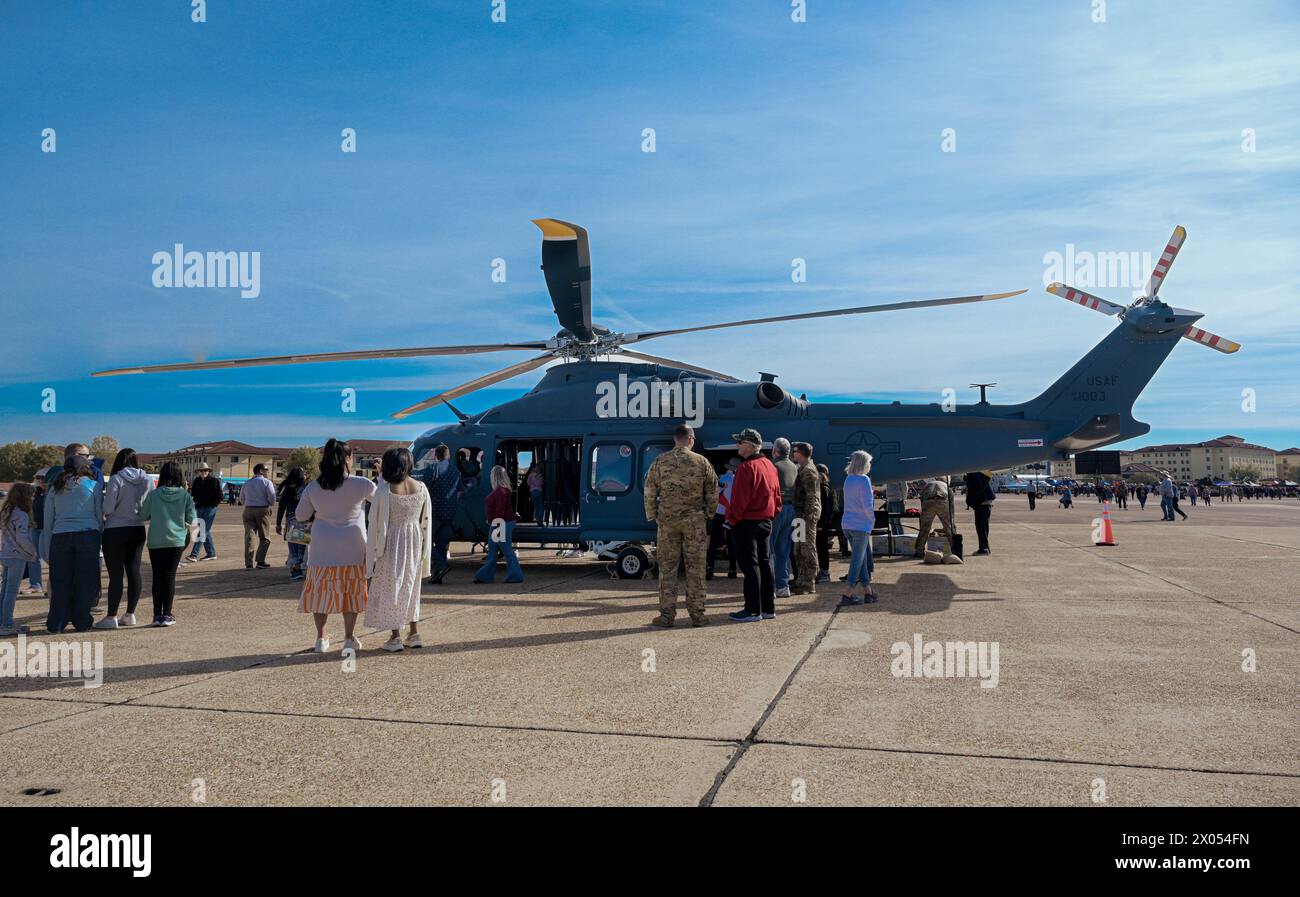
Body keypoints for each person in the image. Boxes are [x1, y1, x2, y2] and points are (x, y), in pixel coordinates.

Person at [295, 439, 376, 653]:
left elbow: (300, 515)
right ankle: (349, 638)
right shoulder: (362, 484)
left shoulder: (313, 486)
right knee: (351, 593)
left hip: (323, 547)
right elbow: (381, 501)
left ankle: (321, 638)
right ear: (348, 459)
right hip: (354, 545)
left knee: (320, 592)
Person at [643, 424, 717, 628]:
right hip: (695, 522)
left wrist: (654, 515)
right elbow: (712, 492)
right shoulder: (701, 462)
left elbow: (649, 490)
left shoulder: (660, 461)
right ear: (691, 439)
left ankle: (667, 616)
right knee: (696, 569)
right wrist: (708, 515)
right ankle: (698, 615)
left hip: (668, 522)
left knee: (667, 569)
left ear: (675, 439)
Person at [365, 448, 432, 652]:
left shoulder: (385, 490)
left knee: (392, 586)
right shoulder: (421, 487)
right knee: (410, 586)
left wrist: (373, 552)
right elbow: (426, 519)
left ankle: (395, 636)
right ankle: (414, 632)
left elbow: (374, 521)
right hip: (414, 538)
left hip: (391, 540)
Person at [41, 451, 104, 633]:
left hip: (60, 535)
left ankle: (56, 623)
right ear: (84, 468)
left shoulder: (55, 488)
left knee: (60, 581)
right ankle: (82, 622)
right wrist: (98, 533)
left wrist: (47, 544)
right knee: (86, 580)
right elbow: (98, 515)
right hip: (87, 534)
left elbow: (48, 520)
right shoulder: (93, 486)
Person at [726, 428, 780, 622]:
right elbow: (777, 495)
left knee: (750, 566)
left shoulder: (746, 468)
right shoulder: (769, 465)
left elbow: (740, 499)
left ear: (749, 445)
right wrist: (772, 514)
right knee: (765, 563)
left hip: (747, 522)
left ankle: (752, 610)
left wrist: (732, 519)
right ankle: (768, 608)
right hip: (766, 520)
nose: (737, 446)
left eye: (740, 443)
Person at [95, 448, 153, 629]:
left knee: (116, 574)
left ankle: (111, 615)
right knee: (134, 570)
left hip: (115, 528)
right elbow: (149, 503)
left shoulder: (117, 478)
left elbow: (109, 506)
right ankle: (130, 614)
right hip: (137, 527)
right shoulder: (147, 478)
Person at [138, 461, 196, 627]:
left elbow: (143, 515)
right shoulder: (185, 495)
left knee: (157, 577)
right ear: (180, 476)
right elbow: (191, 519)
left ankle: (157, 615)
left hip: (156, 540)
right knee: (170, 577)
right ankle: (167, 614)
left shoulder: (154, 494)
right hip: (176, 540)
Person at [0, 484, 39, 635]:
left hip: (5, 554)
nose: (33, 498)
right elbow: (22, 538)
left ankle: (3, 622)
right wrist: (32, 552)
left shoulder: (6, 512)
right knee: (11, 591)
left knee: (5, 589)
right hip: (17, 555)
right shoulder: (21, 515)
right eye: (31, 495)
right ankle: (7, 624)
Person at [473, 465, 524, 584]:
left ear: (494, 476)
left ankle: (513, 575)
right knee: (495, 550)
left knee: (503, 550)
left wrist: (494, 523)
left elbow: (499, 511)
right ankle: (487, 575)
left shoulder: (499, 491)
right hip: (501, 523)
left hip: (500, 524)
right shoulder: (504, 490)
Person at [840, 451, 877, 605]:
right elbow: (867, 505)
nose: (870, 465)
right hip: (861, 525)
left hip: (847, 524)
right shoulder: (864, 480)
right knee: (857, 560)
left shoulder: (848, 479)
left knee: (860, 560)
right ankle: (847, 594)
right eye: (868, 462)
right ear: (863, 464)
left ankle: (868, 592)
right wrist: (872, 520)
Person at [419, 445, 461, 584]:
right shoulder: (455, 471)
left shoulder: (432, 469)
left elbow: (423, 490)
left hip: (434, 511)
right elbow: (459, 490)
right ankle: (438, 576)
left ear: (436, 456)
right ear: (448, 456)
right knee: (442, 543)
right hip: (450, 512)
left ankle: (442, 564)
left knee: (424, 541)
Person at [767, 437, 799, 599]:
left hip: (776, 509)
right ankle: (783, 586)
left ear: (774, 450)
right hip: (790, 509)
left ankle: (770, 587)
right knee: (783, 550)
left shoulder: (772, 466)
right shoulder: (794, 466)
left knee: (769, 549)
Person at [789, 442, 822, 595]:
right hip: (800, 514)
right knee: (798, 549)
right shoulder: (802, 468)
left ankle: (809, 581)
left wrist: (806, 517)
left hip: (806, 515)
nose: (793, 453)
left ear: (800, 453)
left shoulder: (808, 471)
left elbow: (811, 497)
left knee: (807, 547)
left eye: (794, 451)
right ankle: (800, 579)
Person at [913, 476, 961, 563]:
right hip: (942, 501)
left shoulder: (928, 485)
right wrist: (952, 521)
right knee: (948, 528)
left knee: (924, 529)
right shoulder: (947, 487)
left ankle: (919, 552)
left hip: (928, 502)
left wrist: (923, 516)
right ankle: (955, 551)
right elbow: (951, 506)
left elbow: (922, 499)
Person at [706, 458, 739, 580]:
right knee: (732, 543)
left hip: (719, 512)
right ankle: (733, 569)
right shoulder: (739, 480)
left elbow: (715, 493)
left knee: (713, 541)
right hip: (732, 514)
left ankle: (710, 568)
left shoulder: (723, 478)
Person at [239, 463, 277, 569]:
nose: (268, 471)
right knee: (265, 537)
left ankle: (248, 563)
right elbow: (272, 497)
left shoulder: (247, 483)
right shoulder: (267, 482)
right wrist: (269, 503)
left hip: (248, 510)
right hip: (262, 510)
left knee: (249, 537)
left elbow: (241, 499)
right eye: (266, 469)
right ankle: (260, 561)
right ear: (260, 471)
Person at [276, 467, 309, 581]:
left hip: (293, 518)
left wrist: (278, 523)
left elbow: (282, 506)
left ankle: (296, 569)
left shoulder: (289, 489)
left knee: (294, 547)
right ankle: (299, 567)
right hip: (305, 519)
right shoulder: (306, 488)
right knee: (302, 546)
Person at [186, 462, 222, 562]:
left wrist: (213, 505)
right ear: (198, 472)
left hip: (210, 508)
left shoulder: (214, 481)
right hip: (200, 507)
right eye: (201, 471)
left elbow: (219, 496)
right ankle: (211, 553)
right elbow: (194, 494)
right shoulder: (197, 481)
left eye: (205, 470)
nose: (203, 472)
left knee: (202, 530)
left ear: (208, 471)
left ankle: (194, 555)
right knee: (206, 531)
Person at [23, 473, 45, 597]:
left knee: (50, 557)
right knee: (33, 556)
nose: (41, 480)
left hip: (47, 529)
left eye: (43, 478)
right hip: (35, 528)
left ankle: (54, 585)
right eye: (38, 478)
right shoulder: (33, 492)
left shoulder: (53, 491)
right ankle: (35, 584)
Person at [964, 470, 995, 555]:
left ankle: (984, 549)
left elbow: (978, 487)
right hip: (984, 503)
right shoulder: (975, 473)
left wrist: (971, 501)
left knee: (981, 527)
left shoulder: (973, 473)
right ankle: (985, 548)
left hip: (982, 503)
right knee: (983, 527)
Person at [814, 463, 834, 583]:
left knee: (822, 548)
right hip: (823, 524)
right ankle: (823, 571)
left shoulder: (823, 489)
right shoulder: (827, 487)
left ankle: (824, 572)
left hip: (822, 525)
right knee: (820, 548)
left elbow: (825, 509)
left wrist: (821, 524)